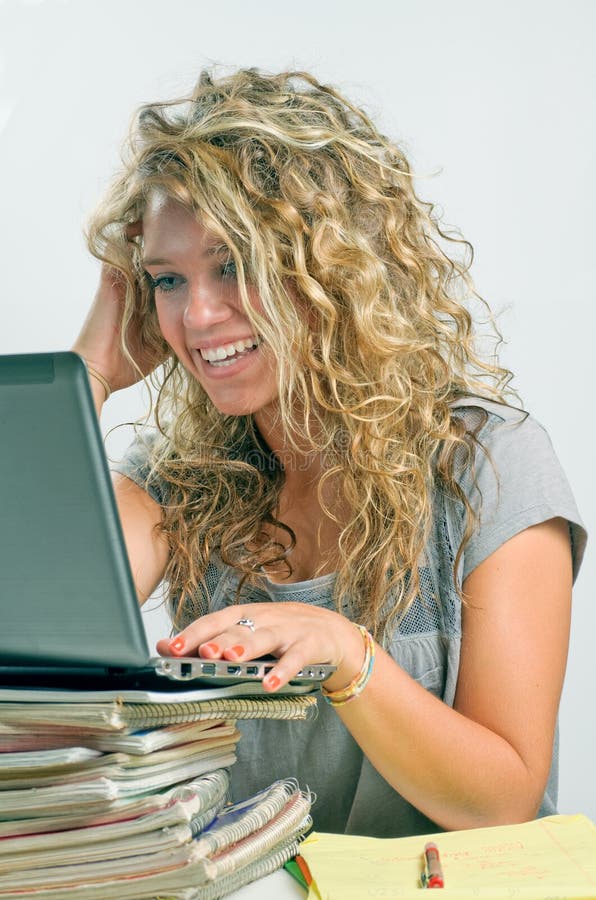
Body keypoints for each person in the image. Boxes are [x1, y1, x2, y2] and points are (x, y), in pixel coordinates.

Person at [72, 68, 586, 838]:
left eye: (234, 266)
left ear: (333, 268)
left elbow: (503, 799)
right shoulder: (176, 483)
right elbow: (27, 617)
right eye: (168, 280)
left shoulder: (488, 466)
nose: (199, 316)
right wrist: (88, 376)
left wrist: (349, 656)